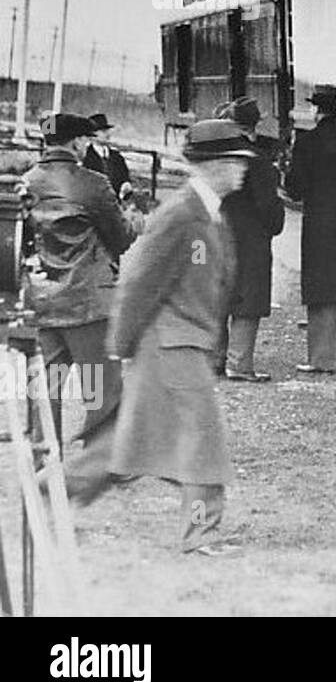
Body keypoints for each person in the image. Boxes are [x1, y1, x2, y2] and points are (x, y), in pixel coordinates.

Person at [82, 119, 257, 556]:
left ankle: (51, 491)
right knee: (202, 441)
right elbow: (139, 282)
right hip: (169, 343)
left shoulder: (209, 212)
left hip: (181, 342)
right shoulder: (181, 214)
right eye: (236, 161)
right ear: (213, 164)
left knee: (131, 439)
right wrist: (121, 346)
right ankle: (201, 534)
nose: (243, 169)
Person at [22, 113, 134, 460]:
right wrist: (132, 216)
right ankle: (97, 459)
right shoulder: (93, 184)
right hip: (88, 303)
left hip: (42, 303)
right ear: (76, 143)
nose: (87, 145)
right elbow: (121, 238)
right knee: (98, 387)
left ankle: (44, 458)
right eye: (85, 140)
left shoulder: (26, 182)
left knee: (46, 387)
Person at [284, 83, 336, 374]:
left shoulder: (307, 141)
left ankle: (321, 358)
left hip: (320, 223)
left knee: (321, 286)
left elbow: (294, 189)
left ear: (316, 109)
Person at [217, 96, 285, 381]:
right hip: (250, 239)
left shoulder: (218, 157)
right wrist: (274, 226)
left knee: (220, 294)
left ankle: (214, 359)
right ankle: (239, 363)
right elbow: (269, 206)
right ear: (255, 126)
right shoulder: (259, 161)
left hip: (218, 233)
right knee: (248, 298)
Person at [82, 112, 133, 200]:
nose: (108, 134)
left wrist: (125, 186)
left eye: (108, 130)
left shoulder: (117, 158)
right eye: (103, 131)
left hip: (115, 205)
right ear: (92, 135)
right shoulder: (85, 158)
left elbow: (125, 179)